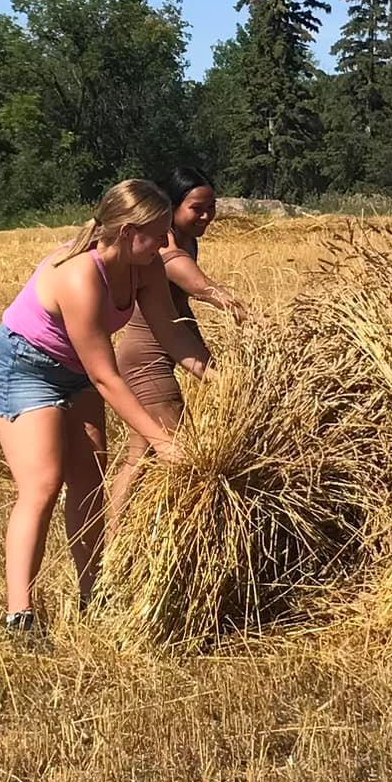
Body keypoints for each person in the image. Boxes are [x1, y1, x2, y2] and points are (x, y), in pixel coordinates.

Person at [0, 178, 211, 642]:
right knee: (43, 483)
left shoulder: (145, 266)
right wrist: (164, 443)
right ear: (127, 233)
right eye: (157, 233)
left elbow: (172, 335)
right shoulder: (79, 275)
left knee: (90, 481)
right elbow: (106, 378)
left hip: (74, 369)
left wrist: (221, 378)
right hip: (22, 368)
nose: (166, 243)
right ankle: (20, 616)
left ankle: (94, 594)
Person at [103, 166, 249, 531]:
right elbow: (196, 284)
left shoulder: (187, 240)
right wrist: (241, 311)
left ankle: (114, 540)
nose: (206, 216)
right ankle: (169, 536)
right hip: (146, 359)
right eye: (196, 208)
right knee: (178, 449)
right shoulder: (163, 242)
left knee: (139, 456)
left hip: (169, 346)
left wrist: (209, 365)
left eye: (211, 207)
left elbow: (179, 311)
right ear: (172, 206)